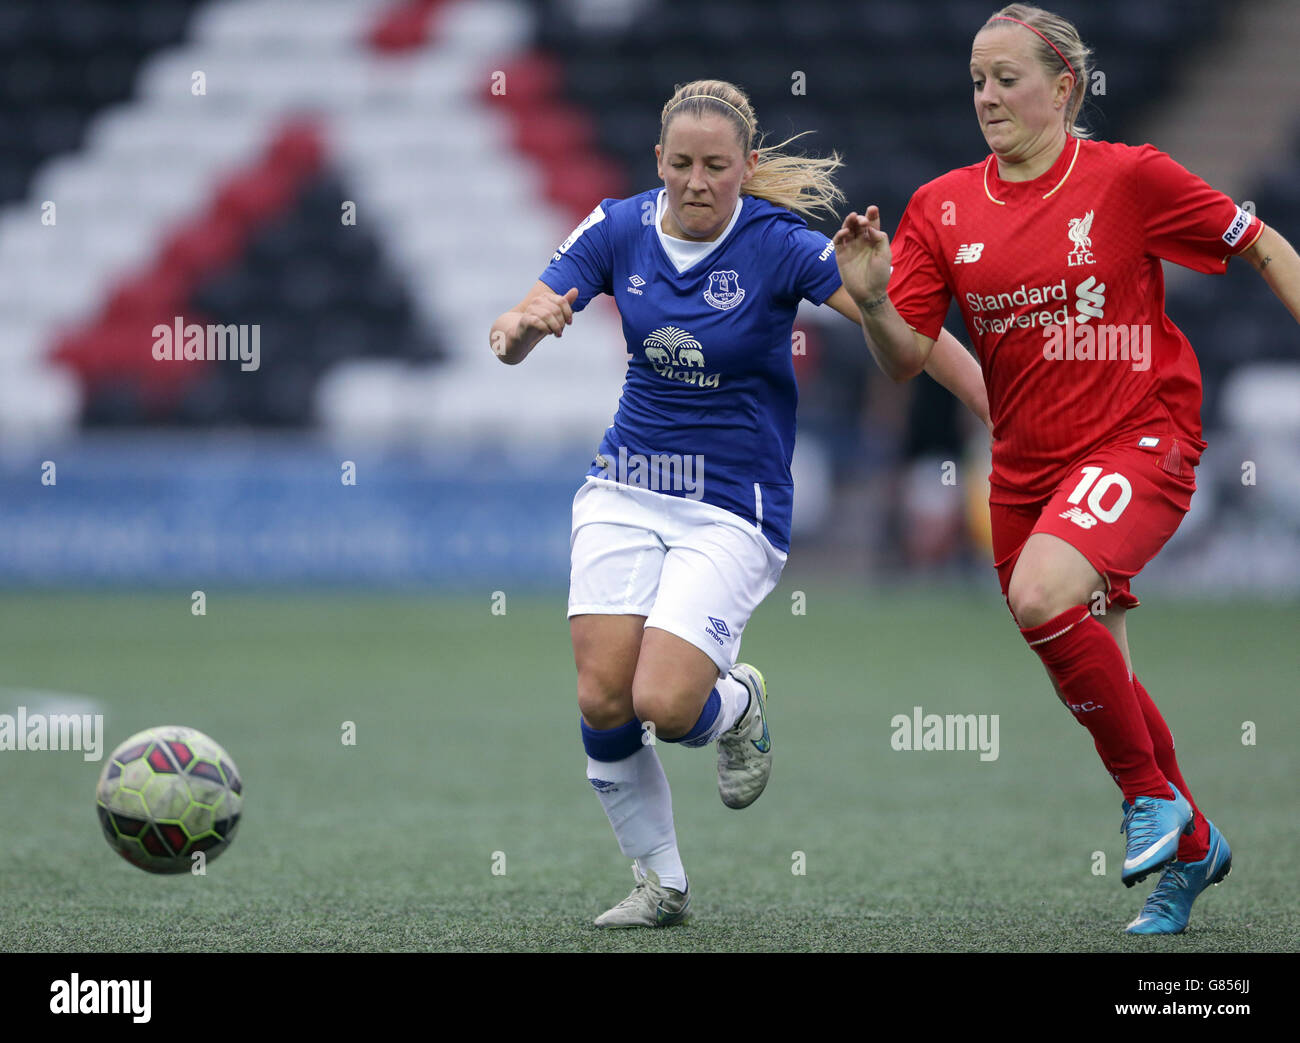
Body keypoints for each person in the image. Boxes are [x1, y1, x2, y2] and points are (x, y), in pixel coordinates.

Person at [834, 3, 1300, 934]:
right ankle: (1193, 841)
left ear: (1066, 87)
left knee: (1045, 595)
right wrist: (877, 299)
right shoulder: (941, 206)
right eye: (977, 79)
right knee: (1101, 681)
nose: (988, 97)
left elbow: (1265, 246)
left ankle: (1150, 804)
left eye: (1008, 78)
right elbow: (902, 356)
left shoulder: (1130, 177)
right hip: (1024, 470)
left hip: (1142, 438)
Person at [491, 79, 990, 927]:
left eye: (716, 166)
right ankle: (660, 882)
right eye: (680, 163)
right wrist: (524, 324)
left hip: (733, 503)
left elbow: (910, 346)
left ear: (747, 166)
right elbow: (520, 326)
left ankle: (740, 704)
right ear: (658, 161)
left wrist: (985, 397)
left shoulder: (782, 245)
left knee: (668, 703)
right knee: (603, 698)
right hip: (625, 483)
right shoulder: (618, 226)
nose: (695, 181)